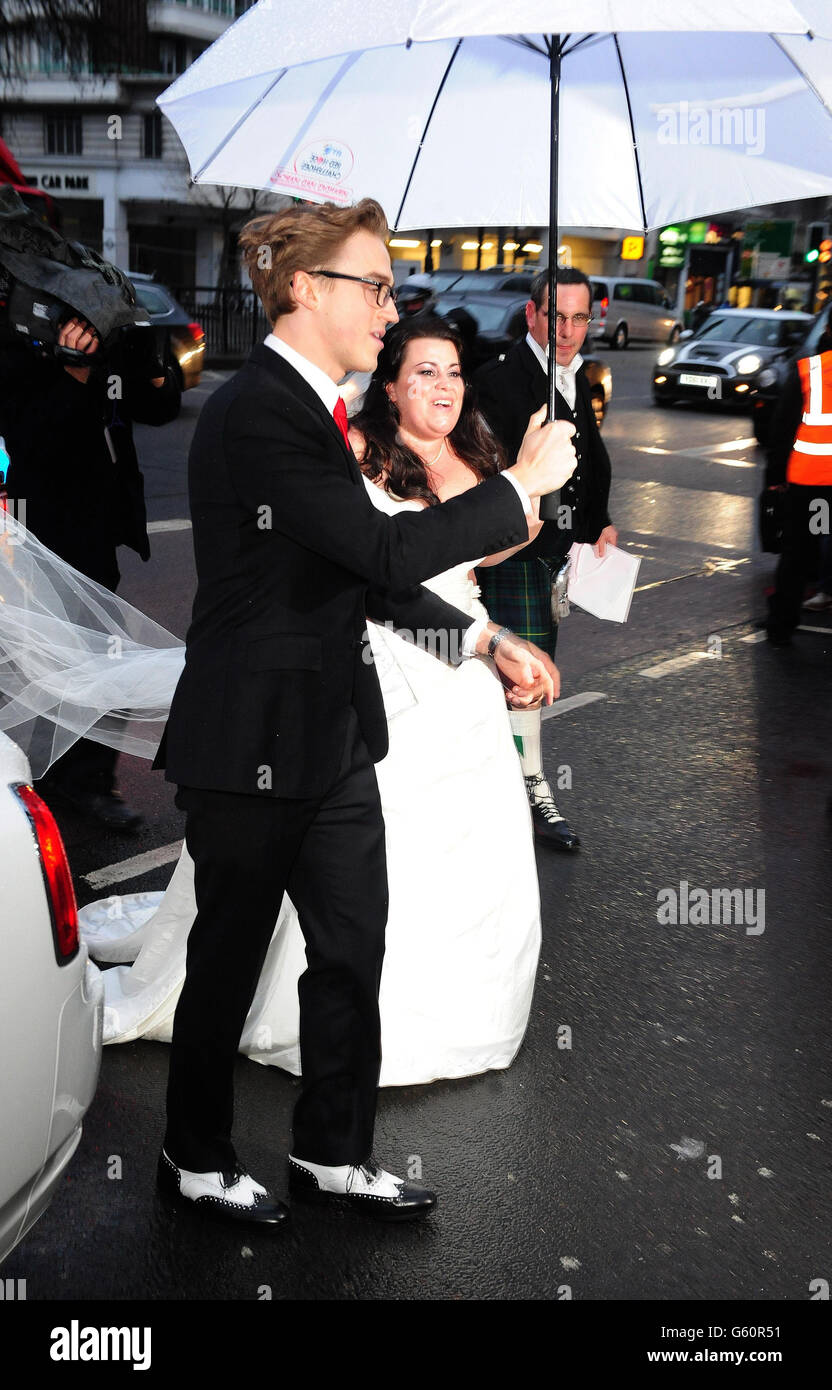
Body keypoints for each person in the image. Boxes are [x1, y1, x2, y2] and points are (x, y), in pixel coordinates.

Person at [150, 197, 577, 1227]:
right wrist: (518, 485)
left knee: (352, 948)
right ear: (306, 290)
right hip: (250, 740)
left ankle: (330, 1153)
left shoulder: (317, 411)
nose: (390, 309)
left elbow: (370, 584)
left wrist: (484, 639)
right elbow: (385, 551)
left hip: (336, 735)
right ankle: (193, 1157)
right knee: (229, 957)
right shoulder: (258, 410)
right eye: (374, 285)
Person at [73, 315, 547, 1111]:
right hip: (389, 659)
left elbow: (472, 557)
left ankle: (444, 1024)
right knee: (359, 870)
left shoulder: (477, 452)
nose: (442, 387)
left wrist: (519, 521)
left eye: (454, 372)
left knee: (464, 854)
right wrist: (488, 610)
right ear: (390, 383)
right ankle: (239, 1118)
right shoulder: (354, 451)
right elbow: (382, 572)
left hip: (460, 671)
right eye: (423, 372)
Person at [0, 315, 180, 830]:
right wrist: (72, 372)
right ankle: (79, 780)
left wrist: (153, 366)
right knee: (82, 649)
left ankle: (63, 774)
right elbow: (34, 437)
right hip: (46, 527)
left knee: (77, 651)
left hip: (99, 523)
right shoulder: (20, 351)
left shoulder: (107, 342)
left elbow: (160, 409)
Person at [474, 268, 616, 850]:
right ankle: (529, 793)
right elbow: (488, 472)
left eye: (580, 317)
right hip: (513, 552)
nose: (568, 329)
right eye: (556, 316)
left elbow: (588, 457)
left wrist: (598, 519)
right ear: (530, 315)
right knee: (521, 676)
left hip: (555, 555)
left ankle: (513, 787)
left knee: (524, 676)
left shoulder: (575, 376)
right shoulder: (501, 381)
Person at [765, 323, 832, 645]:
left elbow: (782, 430)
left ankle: (781, 623)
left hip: (809, 482)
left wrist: (775, 479)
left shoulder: (809, 371)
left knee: (797, 554)